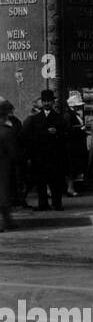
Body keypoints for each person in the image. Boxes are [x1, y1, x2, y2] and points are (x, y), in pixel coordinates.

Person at [22, 88, 67, 211]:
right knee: (41, 181)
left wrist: (57, 132)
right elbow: (30, 137)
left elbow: (65, 135)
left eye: (49, 101)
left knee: (55, 181)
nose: (47, 103)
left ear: (53, 102)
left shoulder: (59, 118)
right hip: (40, 156)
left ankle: (57, 203)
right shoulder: (35, 119)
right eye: (45, 101)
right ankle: (43, 203)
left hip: (54, 155)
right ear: (42, 102)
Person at [61, 92, 89, 197]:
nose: (80, 107)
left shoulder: (74, 114)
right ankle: (70, 188)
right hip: (72, 145)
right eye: (78, 106)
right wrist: (80, 130)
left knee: (74, 168)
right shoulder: (68, 115)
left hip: (76, 144)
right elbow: (67, 130)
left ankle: (71, 187)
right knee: (71, 168)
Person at [0, 99, 18, 231]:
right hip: (3, 167)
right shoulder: (6, 131)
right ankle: (7, 221)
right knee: (4, 194)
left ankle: (8, 221)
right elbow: (13, 152)